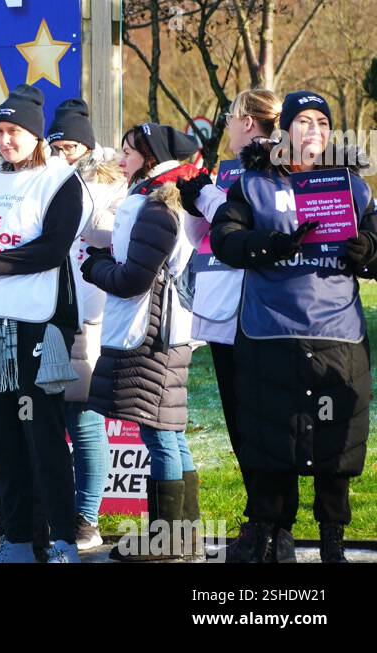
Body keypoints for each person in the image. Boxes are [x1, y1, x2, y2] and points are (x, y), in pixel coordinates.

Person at [210, 91, 375, 563]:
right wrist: (270, 244)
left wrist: (368, 250)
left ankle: (332, 545)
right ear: (282, 130)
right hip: (269, 332)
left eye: (323, 123)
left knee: (334, 445)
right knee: (270, 440)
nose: (315, 131)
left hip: (337, 333)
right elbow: (226, 238)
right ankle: (267, 536)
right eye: (303, 121)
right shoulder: (254, 184)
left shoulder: (353, 186)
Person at [0, 84, 88, 563]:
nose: (6, 139)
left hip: (40, 322)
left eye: (15, 131)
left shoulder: (60, 179)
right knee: (0, 436)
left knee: (43, 435)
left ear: (35, 135)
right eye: (0, 130)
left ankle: (63, 538)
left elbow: (53, 247)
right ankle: (17, 537)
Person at [81, 123, 201, 561]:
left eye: (130, 151)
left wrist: (94, 268)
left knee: (159, 434)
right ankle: (182, 535)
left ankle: (167, 539)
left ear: (151, 157)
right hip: (167, 332)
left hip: (150, 334)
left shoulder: (155, 207)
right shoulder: (164, 200)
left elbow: (133, 279)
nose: (121, 157)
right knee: (171, 431)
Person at [176, 88, 282, 560]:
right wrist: (193, 201)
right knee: (239, 425)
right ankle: (257, 521)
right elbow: (209, 233)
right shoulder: (229, 166)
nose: (229, 123)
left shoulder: (273, 165)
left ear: (249, 121)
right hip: (220, 311)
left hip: (259, 310)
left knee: (262, 425)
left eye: (233, 116)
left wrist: (210, 196)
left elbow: (253, 223)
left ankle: (271, 526)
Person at [45, 98, 127, 550]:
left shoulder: (107, 185)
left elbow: (113, 241)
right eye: (57, 145)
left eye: (72, 145)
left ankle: (87, 518)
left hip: (90, 316)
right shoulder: (45, 180)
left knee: (85, 418)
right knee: (51, 417)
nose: (63, 153)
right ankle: (57, 512)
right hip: (48, 314)